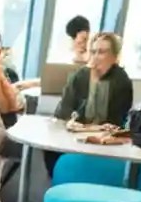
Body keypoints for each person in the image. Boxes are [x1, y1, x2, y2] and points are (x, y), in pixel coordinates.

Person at [46, 32, 135, 177]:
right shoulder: (81, 76)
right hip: (75, 133)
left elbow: (116, 121)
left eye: (101, 52)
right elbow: (64, 110)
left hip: (104, 138)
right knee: (52, 149)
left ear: (114, 57)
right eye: (93, 51)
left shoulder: (122, 81)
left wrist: (93, 129)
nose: (95, 57)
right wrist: (71, 122)